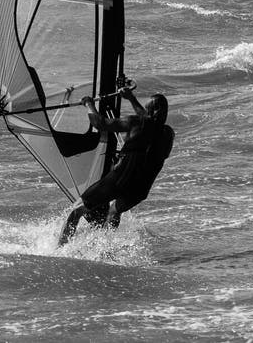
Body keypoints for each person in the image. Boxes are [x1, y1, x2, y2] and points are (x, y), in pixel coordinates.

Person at [57, 87, 174, 245]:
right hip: (140, 189)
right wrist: (131, 98)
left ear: (149, 111)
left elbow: (100, 123)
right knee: (114, 211)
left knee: (76, 211)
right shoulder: (168, 134)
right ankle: (105, 249)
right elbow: (150, 125)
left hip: (120, 179)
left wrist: (89, 104)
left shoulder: (136, 122)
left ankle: (59, 250)